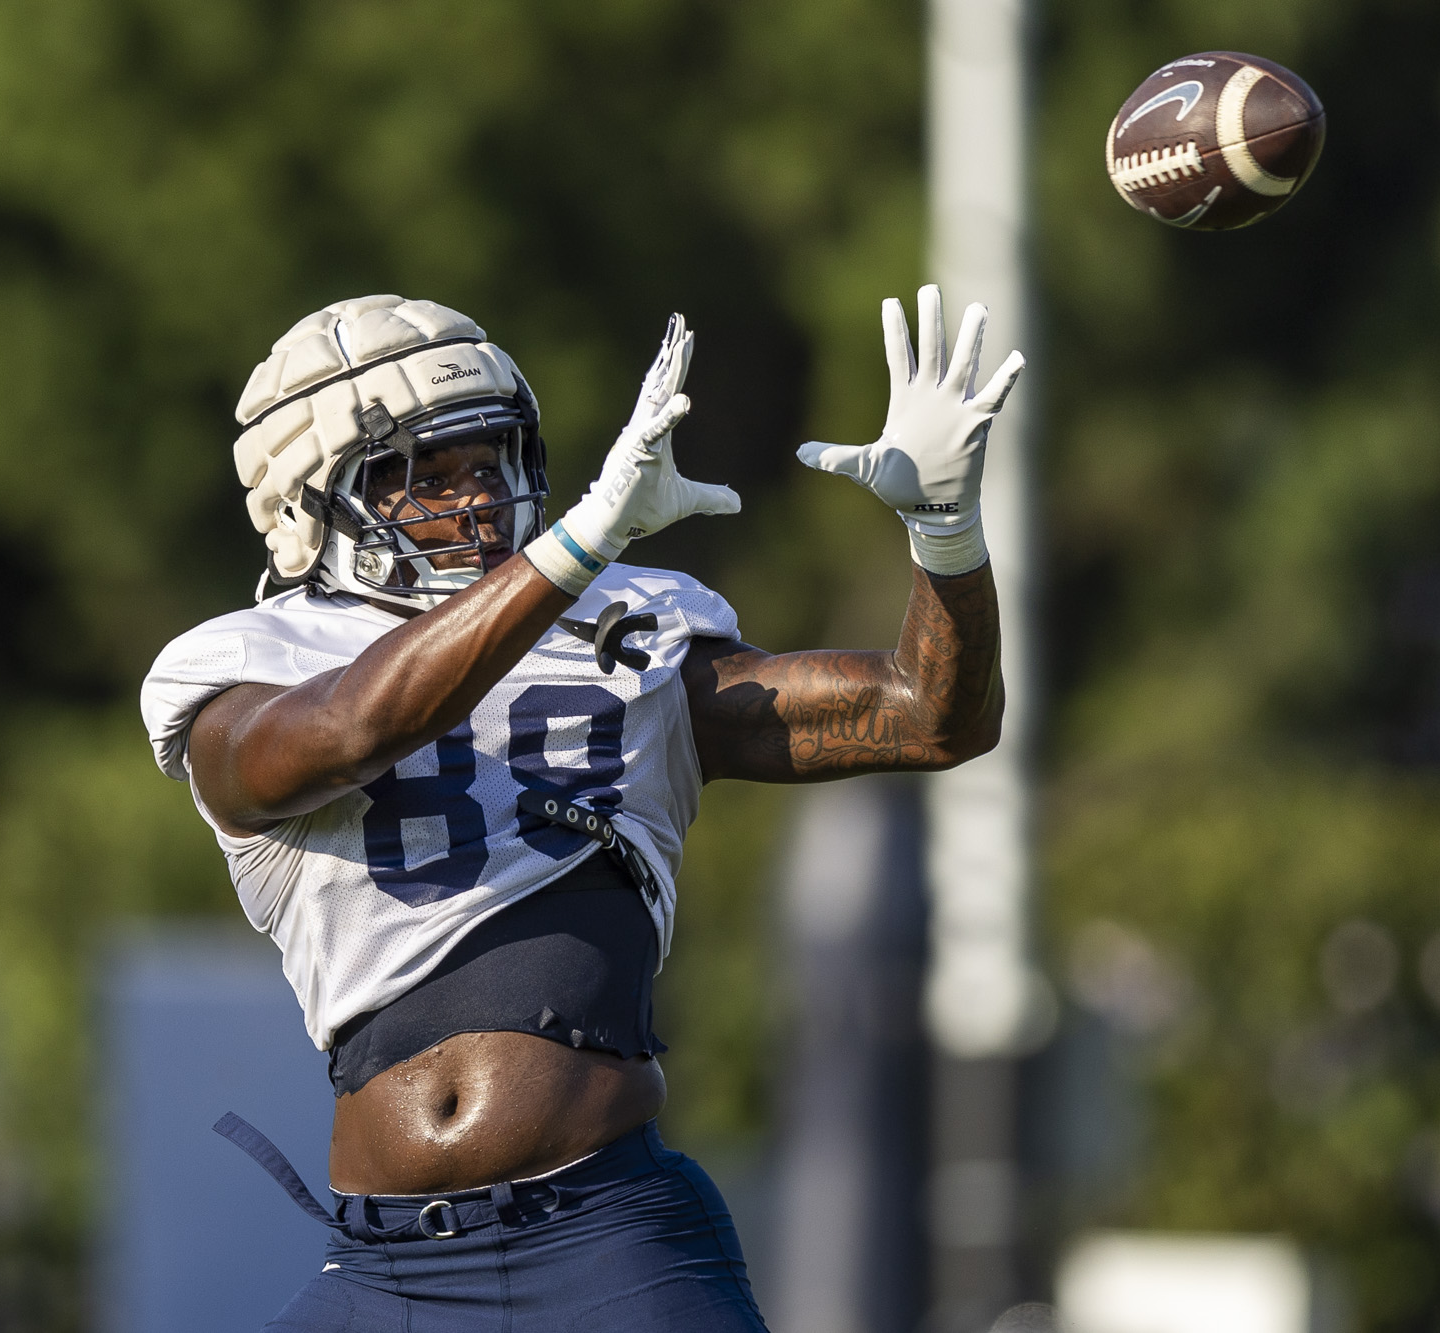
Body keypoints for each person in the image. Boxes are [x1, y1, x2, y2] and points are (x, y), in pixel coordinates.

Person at [140, 288, 1023, 1330]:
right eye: (421, 476)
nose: (473, 501)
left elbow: (928, 717)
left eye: (487, 461)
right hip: (382, 1270)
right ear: (306, 507)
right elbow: (345, 734)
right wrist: (579, 540)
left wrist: (946, 536)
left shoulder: (631, 630)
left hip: (606, 1239)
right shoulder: (244, 669)